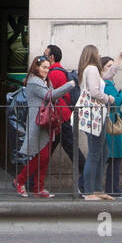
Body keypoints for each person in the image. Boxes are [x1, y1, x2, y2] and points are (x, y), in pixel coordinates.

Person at [14, 56, 76, 198]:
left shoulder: (43, 81)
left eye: (48, 67)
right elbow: (50, 96)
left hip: (45, 122)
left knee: (45, 156)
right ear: (36, 67)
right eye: (44, 67)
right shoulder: (34, 81)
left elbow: (51, 96)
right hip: (38, 122)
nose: (47, 70)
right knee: (41, 156)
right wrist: (69, 85)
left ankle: (38, 188)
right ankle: (20, 181)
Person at [78, 45, 122, 201]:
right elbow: (95, 92)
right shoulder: (91, 69)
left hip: (97, 114)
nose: (99, 57)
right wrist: (109, 99)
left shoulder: (91, 70)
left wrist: (119, 58)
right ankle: (90, 191)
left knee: (103, 152)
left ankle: (97, 190)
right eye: (97, 54)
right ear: (93, 55)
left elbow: (109, 73)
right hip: (94, 114)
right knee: (95, 153)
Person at [44, 44, 84, 190]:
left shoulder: (54, 74)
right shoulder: (60, 72)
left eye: (45, 55)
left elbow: (47, 95)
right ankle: (30, 182)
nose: (42, 58)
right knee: (49, 151)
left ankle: (87, 179)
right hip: (62, 117)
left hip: (59, 118)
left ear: (51, 57)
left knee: (67, 150)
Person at [101, 57, 122, 198]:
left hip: (112, 120)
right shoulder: (106, 84)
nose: (112, 69)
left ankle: (112, 187)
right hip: (111, 121)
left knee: (110, 157)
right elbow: (116, 101)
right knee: (113, 157)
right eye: (108, 66)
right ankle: (113, 188)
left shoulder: (108, 83)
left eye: (113, 66)